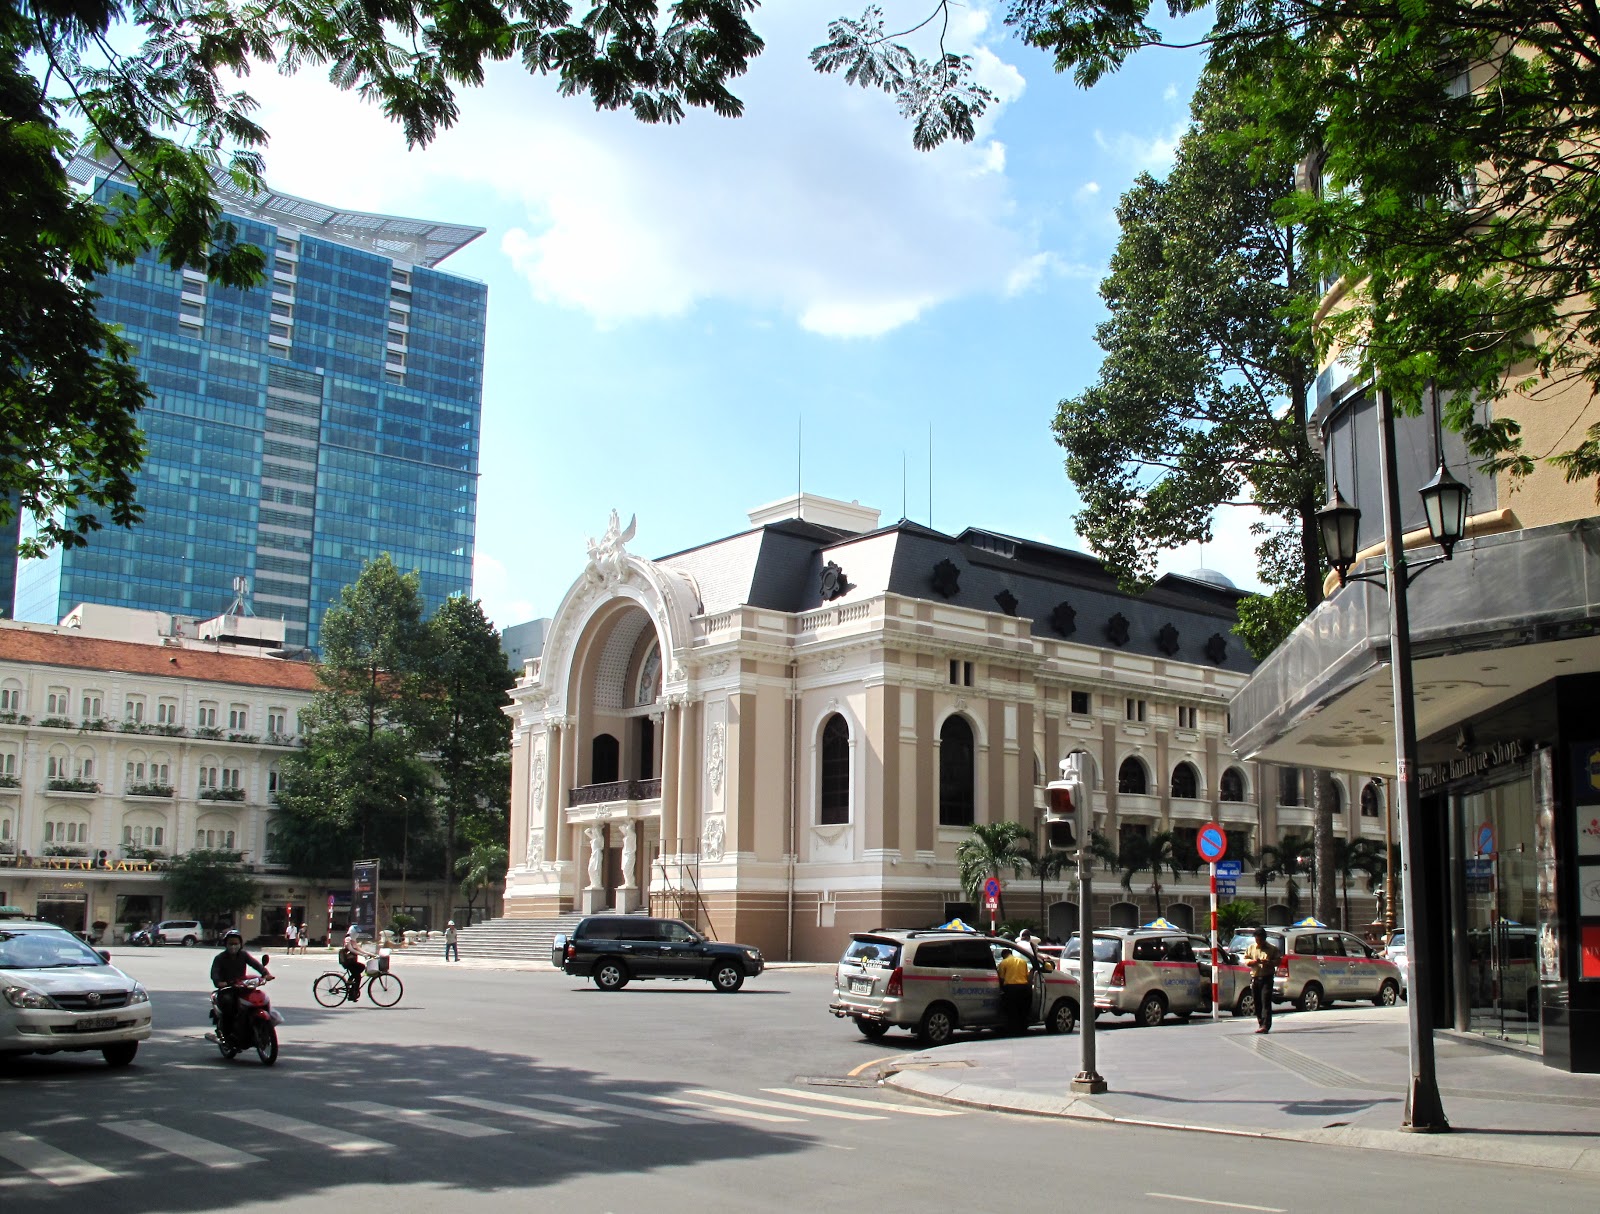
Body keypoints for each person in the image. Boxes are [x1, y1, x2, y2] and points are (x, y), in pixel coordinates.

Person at [210, 929, 270, 1041]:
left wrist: (265, 974)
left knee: (260, 998)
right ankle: (228, 1035)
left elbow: (255, 965)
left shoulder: (243, 955)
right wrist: (219, 982)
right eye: (231, 943)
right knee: (229, 1004)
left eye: (236, 943)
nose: (233, 946)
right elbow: (215, 973)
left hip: (242, 987)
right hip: (227, 989)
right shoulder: (220, 958)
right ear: (226, 944)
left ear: (240, 944)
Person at [1243, 927, 1281, 1034]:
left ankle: (1266, 1025)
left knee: (1265, 1001)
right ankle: (1260, 1022)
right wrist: (1253, 961)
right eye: (1257, 939)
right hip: (1255, 978)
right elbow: (1246, 960)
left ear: (1264, 938)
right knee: (1257, 1002)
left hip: (1267, 978)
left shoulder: (1272, 948)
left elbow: (1278, 961)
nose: (1258, 941)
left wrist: (1269, 962)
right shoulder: (1251, 948)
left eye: (1260, 939)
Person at [996, 946, 1034, 1036]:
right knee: (1023, 1009)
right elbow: (1027, 976)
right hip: (1023, 988)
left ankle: (1013, 1029)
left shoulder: (1003, 963)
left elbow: (1001, 978)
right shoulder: (1022, 961)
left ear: (1004, 956)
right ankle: (1023, 1028)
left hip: (1011, 988)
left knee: (1012, 1010)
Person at [338, 934, 370, 1002]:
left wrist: (370, 954)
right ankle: (352, 991)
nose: (357, 934)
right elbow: (351, 950)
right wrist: (363, 955)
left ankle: (353, 992)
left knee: (358, 976)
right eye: (356, 932)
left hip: (352, 961)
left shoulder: (353, 940)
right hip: (348, 962)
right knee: (361, 969)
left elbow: (359, 949)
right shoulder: (348, 939)